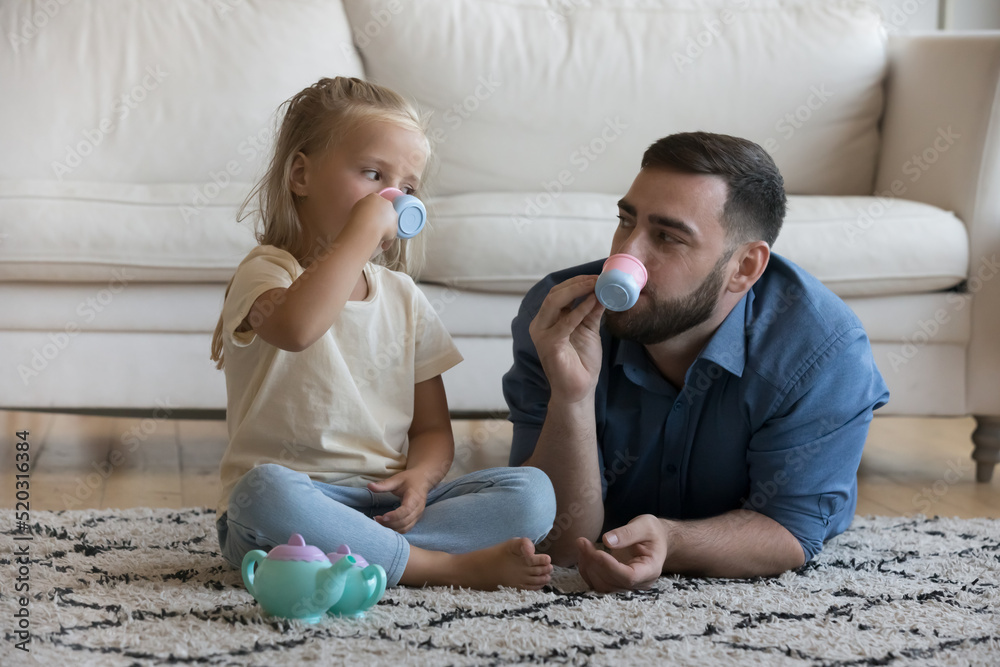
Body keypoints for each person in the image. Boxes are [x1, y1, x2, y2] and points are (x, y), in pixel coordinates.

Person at [502, 131, 889, 592]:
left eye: (667, 237)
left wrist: (674, 541)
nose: (626, 256)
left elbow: (790, 528)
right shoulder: (559, 318)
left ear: (744, 267)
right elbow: (562, 543)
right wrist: (573, 397)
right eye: (627, 221)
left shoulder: (822, 350)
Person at [210, 77, 555, 591]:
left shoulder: (403, 296)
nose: (391, 198)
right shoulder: (266, 273)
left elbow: (433, 431)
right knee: (263, 496)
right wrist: (364, 229)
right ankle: (443, 567)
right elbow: (299, 327)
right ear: (301, 175)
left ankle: (367, 553)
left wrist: (419, 479)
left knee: (533, 494)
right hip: (297, 503)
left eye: (407, 188)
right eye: (373, 175)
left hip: (385, 504)